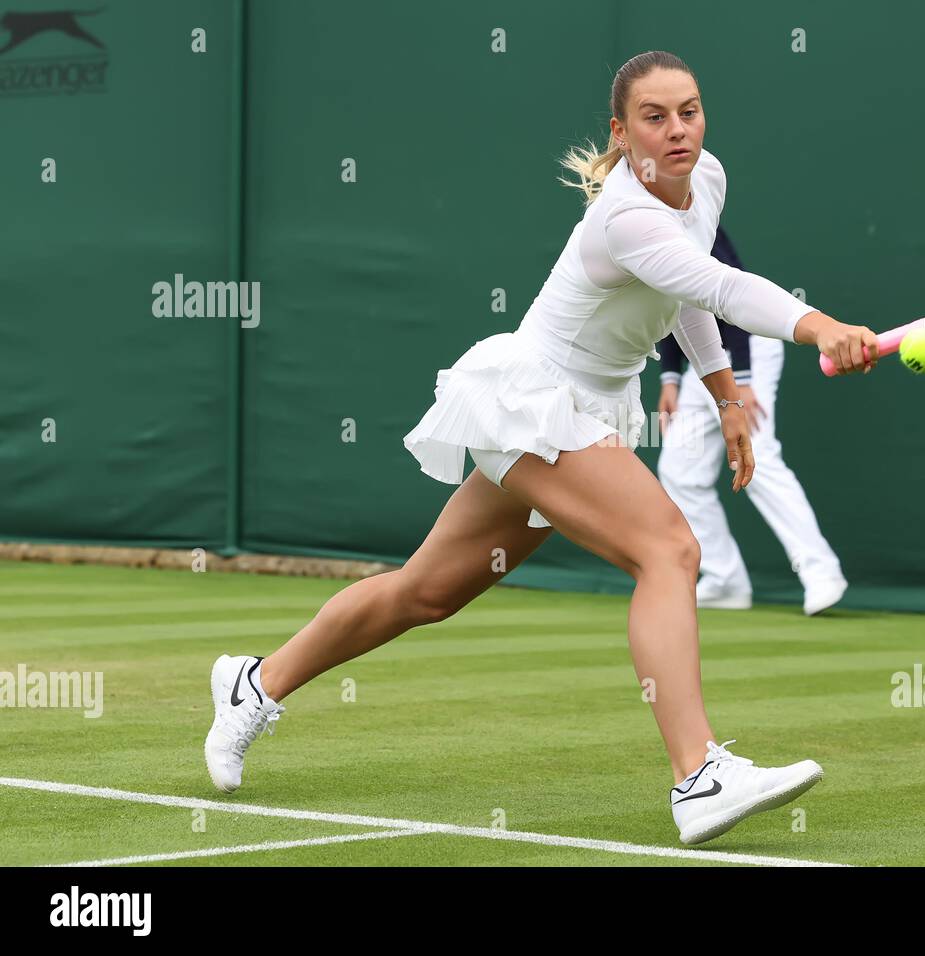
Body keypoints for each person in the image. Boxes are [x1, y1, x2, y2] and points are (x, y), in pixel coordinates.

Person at [202, 50, 878, 846]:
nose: (677, 131)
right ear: (622, 135)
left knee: (427, 593)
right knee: (669, 550)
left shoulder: (708, 177)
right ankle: (698, 776)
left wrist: (726, 391)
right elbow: (725, 289)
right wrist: (820, 325)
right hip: (536, 400)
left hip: (579, 412)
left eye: (689, 111)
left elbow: (691, 291)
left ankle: (256, 682)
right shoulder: (624, 216)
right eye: (655, 118)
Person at [656, 225, 849, 615]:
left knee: (758, 458)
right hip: (702, 358)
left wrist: (741, 381)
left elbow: (734, 295)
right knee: (679, 471)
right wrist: (670, 377)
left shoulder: (694, 216)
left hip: (744, 352)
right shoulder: (641, 225)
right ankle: (726, 580)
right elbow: (666, 303)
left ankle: (821, 572)